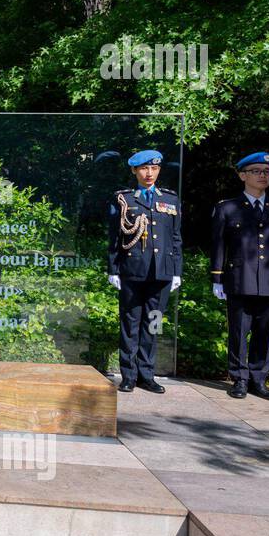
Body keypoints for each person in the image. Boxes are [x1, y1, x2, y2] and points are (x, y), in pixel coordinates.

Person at [211, 151, 269, 401]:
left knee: (265, 332)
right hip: (239, 279)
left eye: (266, 172)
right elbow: (218, 245)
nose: (263, 176)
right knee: (239, 332)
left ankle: (259, 379)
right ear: (242, 175)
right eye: (256, 171)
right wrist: (217, 278)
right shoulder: (227, 208)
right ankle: (239, 378)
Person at [107, 149, 182, 393]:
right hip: (132, 271)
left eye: (154, 168)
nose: (150, 173)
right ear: (134, 170)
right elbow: (114, 237)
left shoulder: (170, 199)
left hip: (161, 274)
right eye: (144, 168)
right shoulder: (124, 199)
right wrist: (113, 269)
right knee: (130, 324)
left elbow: (175, 238)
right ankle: (129, 375)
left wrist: (177, 271)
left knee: (153, 324)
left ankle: (147, 375)